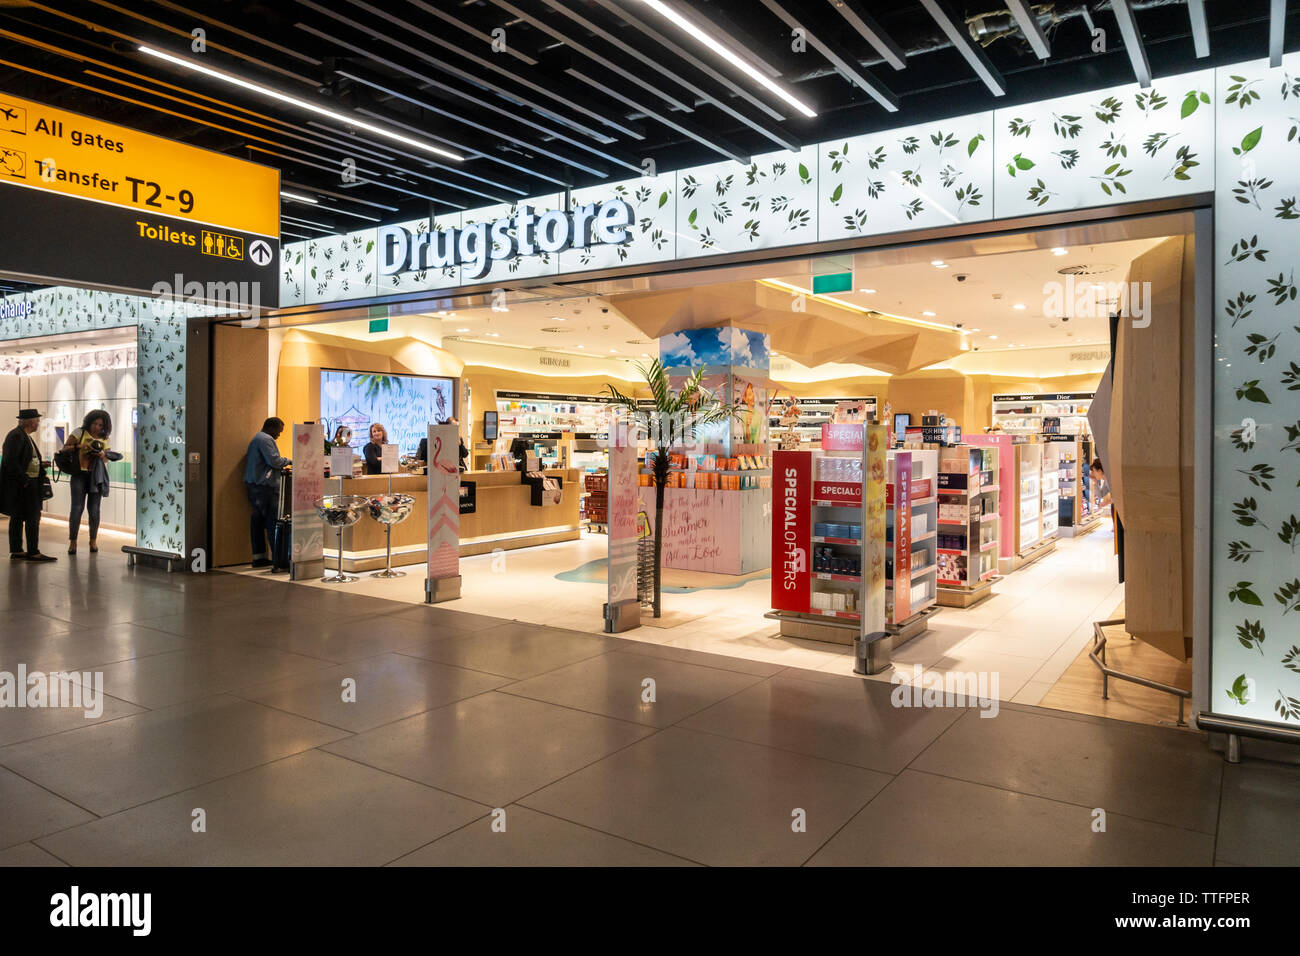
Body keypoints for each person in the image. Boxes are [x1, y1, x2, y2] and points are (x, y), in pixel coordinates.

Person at [62, 409, 124, 555]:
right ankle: (73, 542)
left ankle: (93, 540)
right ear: (89, 422)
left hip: (96, 476)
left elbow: (107, 458)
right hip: (79, 474)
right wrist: (80, 447)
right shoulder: (79, 433)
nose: (97, 427)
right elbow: (64, 449)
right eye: (95, 423)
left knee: (94, 510)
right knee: (77, 508)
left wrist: (102, 454)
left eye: (100, 425)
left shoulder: (105, 438)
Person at [1, 408, 55, 561]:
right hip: (25, 484)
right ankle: (33, 551)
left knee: (18, 516)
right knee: (32, 517)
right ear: (30, 422)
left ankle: (17, 550)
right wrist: (24, 481)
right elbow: (10, 462)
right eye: (37, 420)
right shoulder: (16, 436)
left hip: (25, 482)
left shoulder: (23, 436)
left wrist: (39, 465)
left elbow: (24, 460)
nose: (38, 423)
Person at [243, 417, 291, 568]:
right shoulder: (266, 439)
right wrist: (289, 461)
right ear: (271, 428)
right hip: (264, 486)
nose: (279, 435)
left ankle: (259, 557)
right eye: (278, 431)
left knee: (257, 521)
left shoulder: (258, 438)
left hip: (254, 484)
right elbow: (274, 461)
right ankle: (279, 559)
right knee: (272, 521)